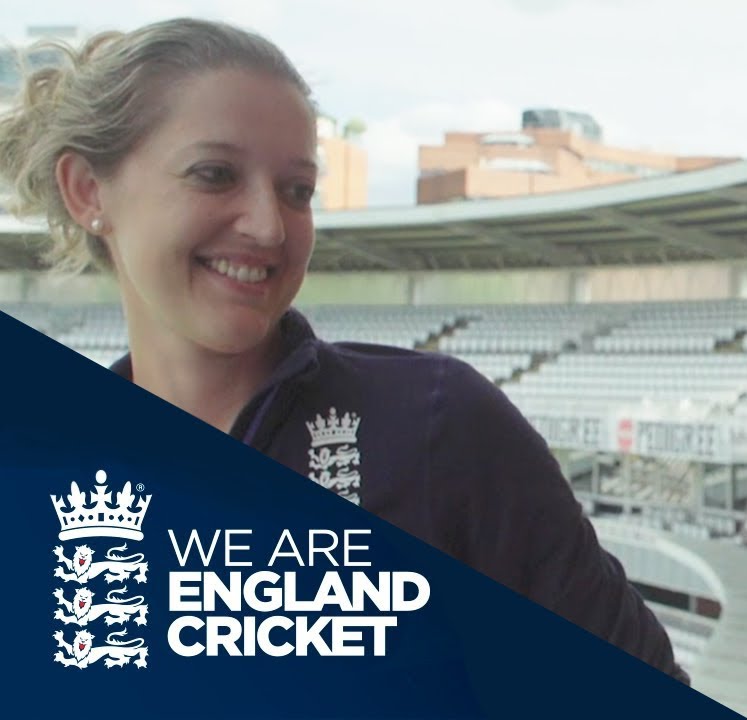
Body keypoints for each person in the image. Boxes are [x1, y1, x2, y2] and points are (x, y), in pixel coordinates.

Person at [0, 17, 687, 684]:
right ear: (88, 190)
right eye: (215, 175)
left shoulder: (434, 423)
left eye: (297, 190)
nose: (270, 226)